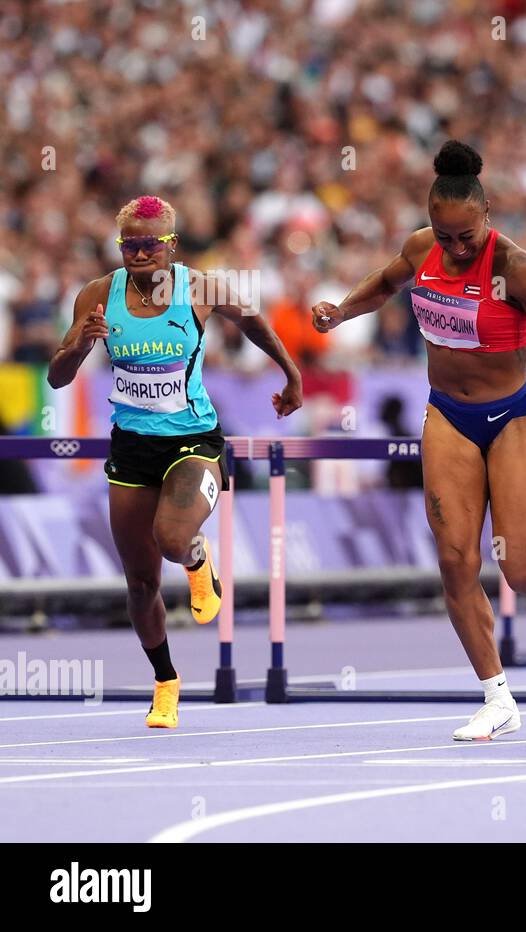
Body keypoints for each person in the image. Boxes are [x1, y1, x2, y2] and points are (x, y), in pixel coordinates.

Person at [312, 141, 526, 741]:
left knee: (525, 573)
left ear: (487, 216)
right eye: (446, 236)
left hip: (515, 415)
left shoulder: (515, 267)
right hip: (447, 414)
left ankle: (520, 513)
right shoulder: (422, 248)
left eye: (466, 236)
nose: (455, 248)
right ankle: (496, 696)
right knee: (454, 560)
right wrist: (342, 312)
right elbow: (384, 284)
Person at [47, 195, 302, 728]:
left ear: (171, 245)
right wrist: (79, 347)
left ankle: (197, 562)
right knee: (140, 585)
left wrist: (290, 374)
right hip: (131, 447)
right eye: (130, 244)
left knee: (171, 537)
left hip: (194, 441)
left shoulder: (199, 287)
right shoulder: (98, 295)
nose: (139, 254)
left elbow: (252, 320)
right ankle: (165, 682)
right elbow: (57, 376)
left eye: (150, 244)